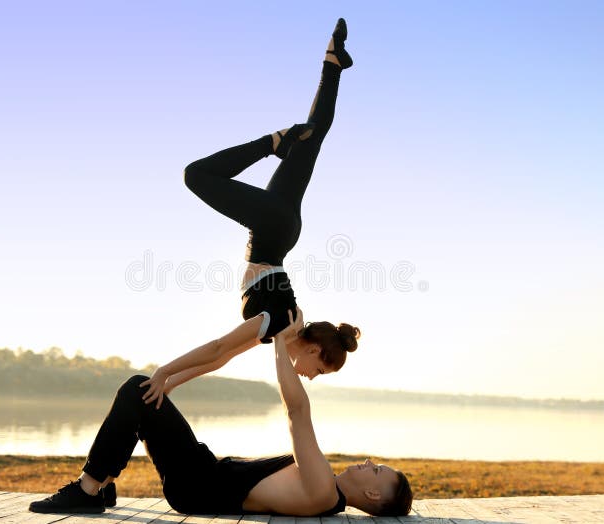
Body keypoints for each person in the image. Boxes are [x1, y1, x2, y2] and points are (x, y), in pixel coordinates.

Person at [140, 19, 360, 409]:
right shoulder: (281, 321)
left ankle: (333, 64)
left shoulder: (286, 326)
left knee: (312, 138)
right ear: (314, 351)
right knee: (196, 175)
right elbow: (218, 346)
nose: (312, 377)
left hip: (283, 229)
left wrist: (172, 383)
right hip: (272, 228)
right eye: (320, 370)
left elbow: (221, 357)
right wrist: (161, 372)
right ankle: (270, 143)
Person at [29, 308, 413, 516]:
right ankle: (104, 482)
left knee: (138, 389)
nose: (369, 463)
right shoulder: (324, 487)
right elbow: (220, 355)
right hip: (203, 471)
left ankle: (88, 488)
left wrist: (281, 339)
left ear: (372, 494)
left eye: (377, 471)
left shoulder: (324, 491)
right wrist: (172, 380)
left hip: (198, 485)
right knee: (147, 396)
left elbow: (297, 411)